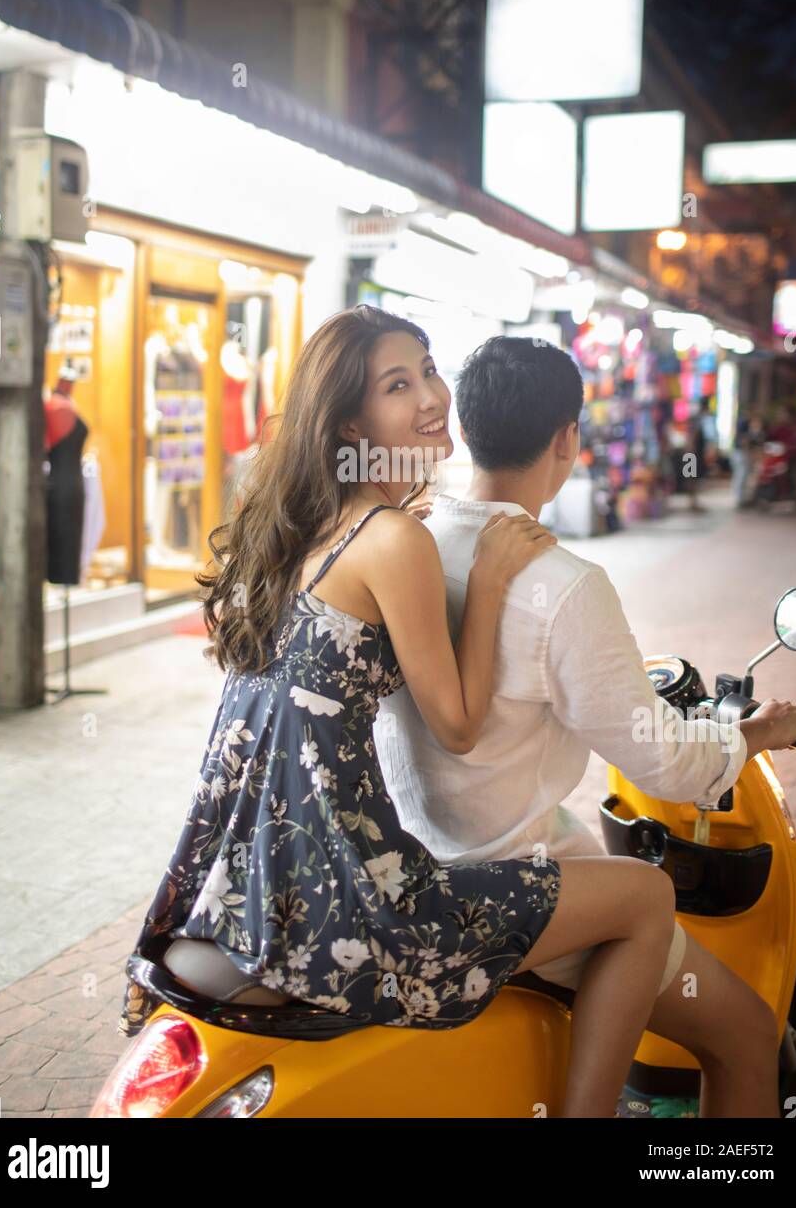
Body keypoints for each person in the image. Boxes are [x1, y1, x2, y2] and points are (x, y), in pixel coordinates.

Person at [119, 305, 684, 1120]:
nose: (430, 397)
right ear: (351, 422)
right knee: (645, 898)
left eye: (427, 368)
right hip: (348, 901)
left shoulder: (305, 531)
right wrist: (487, 579)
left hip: (239, 889)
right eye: (398, 384)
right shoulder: (391, 540)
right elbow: (456, 724)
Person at [375, 335, 796, 1119]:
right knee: (745, 1031)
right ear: (568, 439)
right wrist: (758, 733)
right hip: (512, 876)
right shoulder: (563, 585)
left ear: (465, 427)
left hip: (411, 861)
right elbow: (669, 765)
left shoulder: (403, 543)